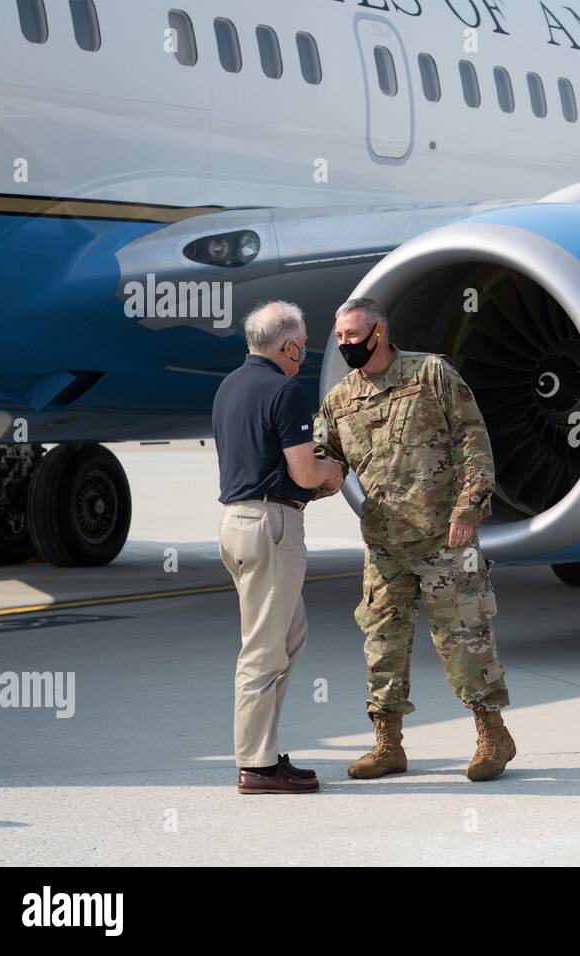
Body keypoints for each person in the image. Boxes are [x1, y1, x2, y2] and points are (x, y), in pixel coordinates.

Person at [313, 297, 515, 782]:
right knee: (382, 645)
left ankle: (493, 735)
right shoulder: (341, 399)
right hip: (384, 544)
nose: (346, 345)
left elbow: (474, 439)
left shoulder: (431, 375)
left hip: (445, 536)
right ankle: (388, 744)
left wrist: (469, 508)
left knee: (463, 641)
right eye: (339, 337)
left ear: (379, 332)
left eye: (353, 336)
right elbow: (324, 457)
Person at [212, 301, 344, 795]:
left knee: (289, 637)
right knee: (264, 651)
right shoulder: (285, 390)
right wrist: (331, 476)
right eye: (303, 343)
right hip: (272, 523)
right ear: (287, 346)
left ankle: (263, 751)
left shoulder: (229, 386)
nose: (304, 352)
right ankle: (257, 767)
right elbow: (305, 472)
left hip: (237, 522)